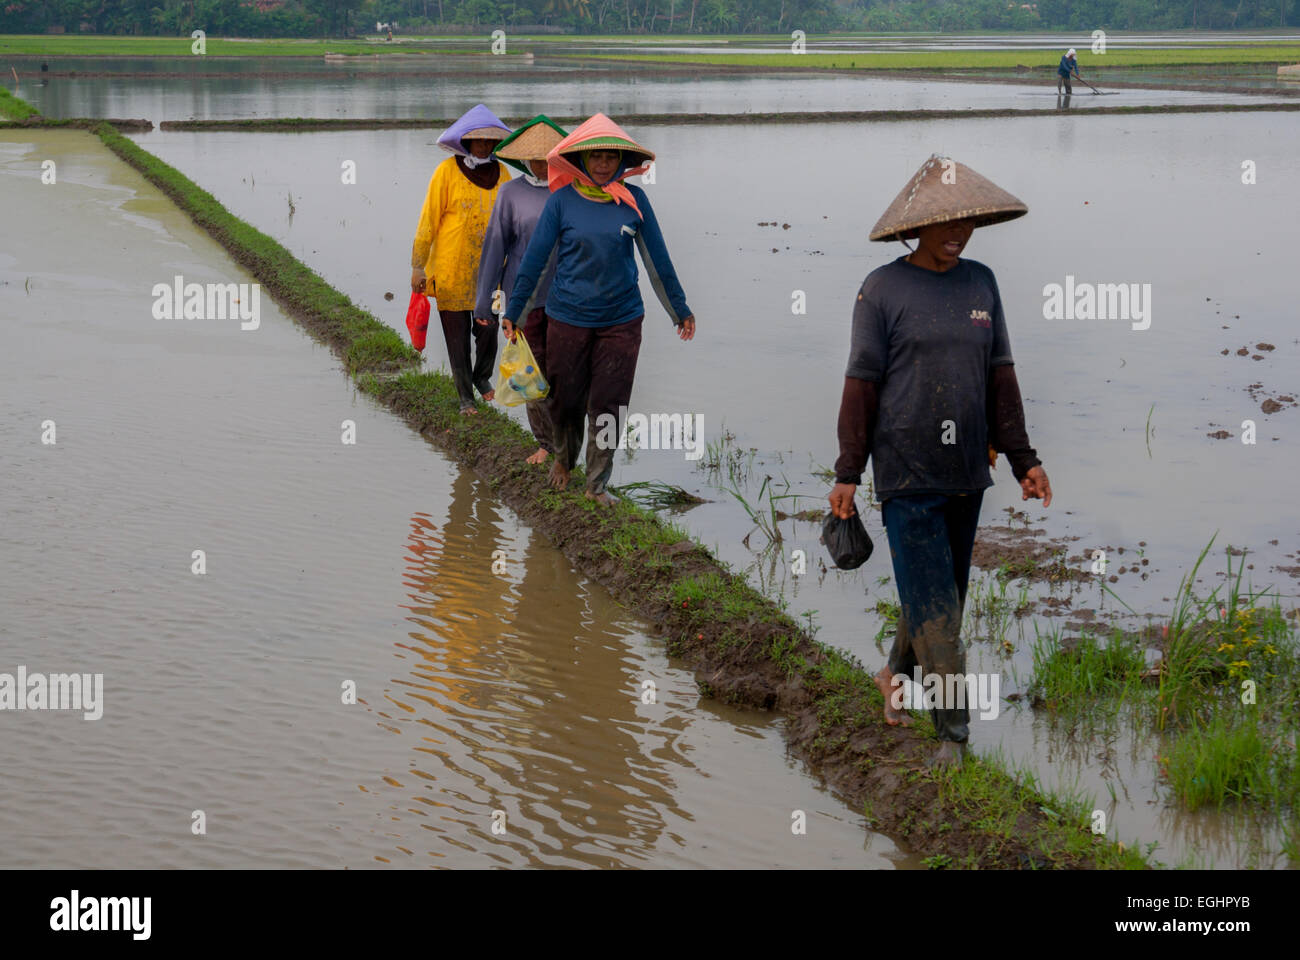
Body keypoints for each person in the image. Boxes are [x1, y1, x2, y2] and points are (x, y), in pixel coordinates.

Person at [828, 155, 1051, 767]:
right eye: (945, 225)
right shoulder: (882, 289)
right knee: (940, 615)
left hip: (966, 472)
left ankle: (893, 678)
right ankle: (953, 736)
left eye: (968, 224)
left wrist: (1023, 457)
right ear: (916, 227)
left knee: (940, 596)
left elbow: (999, 372)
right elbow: (861, 384)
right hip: (904, 468)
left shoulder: (982, 282)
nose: (958, 235)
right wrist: (848, 470)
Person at [502, 113, 695, 504]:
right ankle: (563, 459)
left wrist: (680, 309)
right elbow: (535, 261)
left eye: (611, 157)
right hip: (567, 318)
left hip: (621, 321)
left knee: (610, 403)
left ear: (622, 161)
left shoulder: (634, 201)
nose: (604, 164)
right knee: (565, 397)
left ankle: (596, 484)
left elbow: (656, 259)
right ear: (582, 161)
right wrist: (515, 312)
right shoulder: (561, 202)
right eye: (596, 157)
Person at [473, 115, 569, 465]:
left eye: (548, 157)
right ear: (524, 158)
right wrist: (484, 302)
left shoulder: (572, 191)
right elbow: (495, 247)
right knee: (531, 371)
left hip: (567, 298)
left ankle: (566, 441)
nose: (541, 164)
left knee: (563, 371)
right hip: (522, 300)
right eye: (535, 157)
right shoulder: (510, 193)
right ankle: (546, 443)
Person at [410, 103, 511, 415]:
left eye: (489, 140)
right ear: (466, 141)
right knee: (457, 340)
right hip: (451, 269)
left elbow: (511, 221)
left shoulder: (503, 173)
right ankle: (465, 397)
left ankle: (482, 376)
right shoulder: (446, 172)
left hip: (492, 272)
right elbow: (428, 220)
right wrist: (418, 264)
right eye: (477, 139)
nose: (483, 145)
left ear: (495, 143)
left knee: (489, 331)